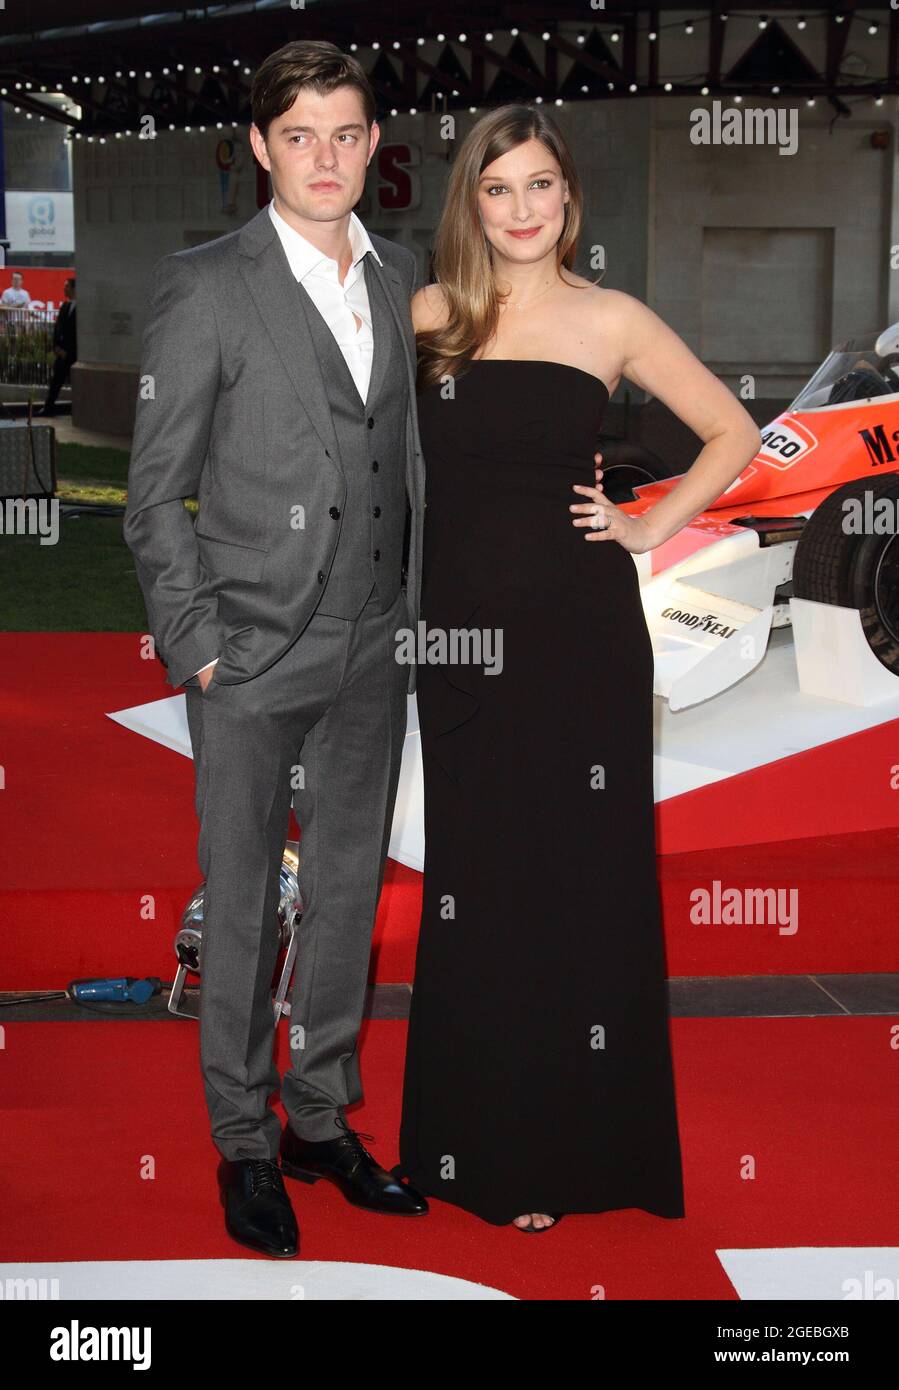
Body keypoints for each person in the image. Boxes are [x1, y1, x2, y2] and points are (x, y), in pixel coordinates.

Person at [395, 104, 762, 1233]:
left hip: (578, 641)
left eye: (538, 185)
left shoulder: (611, 318)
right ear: (472, 201)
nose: (518, 208)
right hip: (457, 639)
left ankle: (564, 1156)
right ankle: (469, 1145)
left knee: (571, 885)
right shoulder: (427, 313)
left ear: (568, 199)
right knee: (474, 887)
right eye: (496, 188)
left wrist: (648, 528)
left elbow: (732, 433)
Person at [124, 40, 431, 1259]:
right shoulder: (206, 286)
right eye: (297, 136)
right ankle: (243, 1140)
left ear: (373, 147)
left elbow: (405, 461)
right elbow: (154, 494)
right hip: (247, 656)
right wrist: (199, 646)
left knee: (347, 896)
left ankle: (318, 1117)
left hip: (374, 644)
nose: (323, 157)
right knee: (246, 908)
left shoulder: (402, 276)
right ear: (259, 148)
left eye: (345, 134)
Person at [37, 277, 77, 416]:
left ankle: (77, 410)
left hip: (73, 355)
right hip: (61, 353)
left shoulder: (82, 310)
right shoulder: (65, 306)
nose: (64, 289)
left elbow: (79, 334)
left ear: (74, 289)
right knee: (55, 382)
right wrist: (56, 347)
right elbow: (57, 328)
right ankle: (48, 408)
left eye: (66, 286)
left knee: (76, 384)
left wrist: (70, 352)